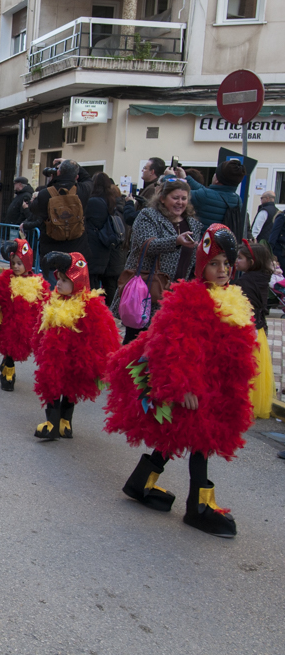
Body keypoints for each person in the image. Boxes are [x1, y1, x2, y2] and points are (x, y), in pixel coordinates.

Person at [105, 225, 255, 538]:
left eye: (227, 263)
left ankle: (140, 483)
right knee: (200, 441)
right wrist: (182, 386)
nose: (223, 270)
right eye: (214, 263)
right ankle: (199, 507)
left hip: (212, 387)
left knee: (178, 435)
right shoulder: (190, 299)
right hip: (192, 388)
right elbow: (171, 342)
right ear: (202, 267)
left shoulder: (230, 298)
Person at [32, 251, 120, 440]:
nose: (59, 283)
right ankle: (52, 422)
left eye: (65, 280)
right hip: (54, 357)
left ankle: (65, 420)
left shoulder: (90, 306)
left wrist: (97, 361)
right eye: (59, 279)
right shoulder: (53, 300)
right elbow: (41, 324)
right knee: (52, 383)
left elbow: (103, 335)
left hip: (76, 358)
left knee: (71, 387)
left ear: (77, 280)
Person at [112, 179, 205, 344]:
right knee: (138, 340)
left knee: (166, 344)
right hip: (149, 289)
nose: (180, 202)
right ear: (162, 198)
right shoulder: (148, 216)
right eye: (175, 198)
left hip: (176, 292)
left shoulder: (193, 224)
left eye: (184, 198)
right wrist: (176, 240)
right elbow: (147, 245)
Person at [0, 238, 49, 391]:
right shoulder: (4, 280)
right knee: (8, 348)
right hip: (5, 324)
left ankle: (6, 364)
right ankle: (9, 372)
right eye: (13, 263)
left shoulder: (38, 284)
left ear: (28, 263)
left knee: (17, 349)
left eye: (19, 263)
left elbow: (44, 306)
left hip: (25, 327)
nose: (16, 266)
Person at [22, 159, 92, 288]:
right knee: (75, 292)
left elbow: (34, 209)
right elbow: (88, 178)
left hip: (51, 250)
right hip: (77, 250)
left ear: (57, 173)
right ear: (76, 176)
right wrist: (71, 163)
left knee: (53, 292)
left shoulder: (45, 194)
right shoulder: (82, 191)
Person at [232, 241, 273, 419]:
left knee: (247, 369)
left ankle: (241, 404)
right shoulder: (262, 278)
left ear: (252, 261)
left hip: (249, 331)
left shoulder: (246, 282)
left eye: (240, 258)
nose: (236, 261)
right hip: (260, 330)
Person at [85, 172, 132, 306]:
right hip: (109, 248)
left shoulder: (94, 202)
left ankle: (96, 310)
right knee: (108, 285)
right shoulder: (112, 202)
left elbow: (93, 224)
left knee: (93, 283)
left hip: (96, 247)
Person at [176, 161, 244, 229]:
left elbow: (177, 194)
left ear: (217, 180)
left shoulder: (205, 195)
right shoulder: (237, 200)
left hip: (201, 239)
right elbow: (207, 192)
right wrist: (185, 178)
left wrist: (170, 177)